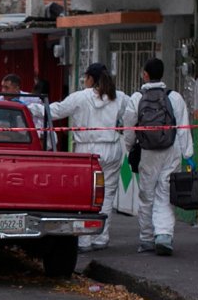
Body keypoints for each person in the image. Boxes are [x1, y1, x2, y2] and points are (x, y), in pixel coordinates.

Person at [28, 63, 129, 252]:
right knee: (107, 196)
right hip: (112, 149)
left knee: (86, 197)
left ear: (90, 78)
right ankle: (101, 238)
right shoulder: (120, 97)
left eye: (85, 77)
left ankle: (84, 241)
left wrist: (28, 107)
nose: (84, 81)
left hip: (88, 151)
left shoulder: (80, 97)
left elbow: (54, 111)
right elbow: (132, 114)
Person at [123, 58, 194, 256]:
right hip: (171, 152)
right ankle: (163, 235)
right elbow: (183, 128)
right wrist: (188, 155)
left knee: (147, 195)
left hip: (147, 153)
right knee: (165, 194)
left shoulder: (136, 98)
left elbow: (129, 128)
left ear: (145, 74)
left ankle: (146, 238)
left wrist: (129, 148)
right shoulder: (175, 97)